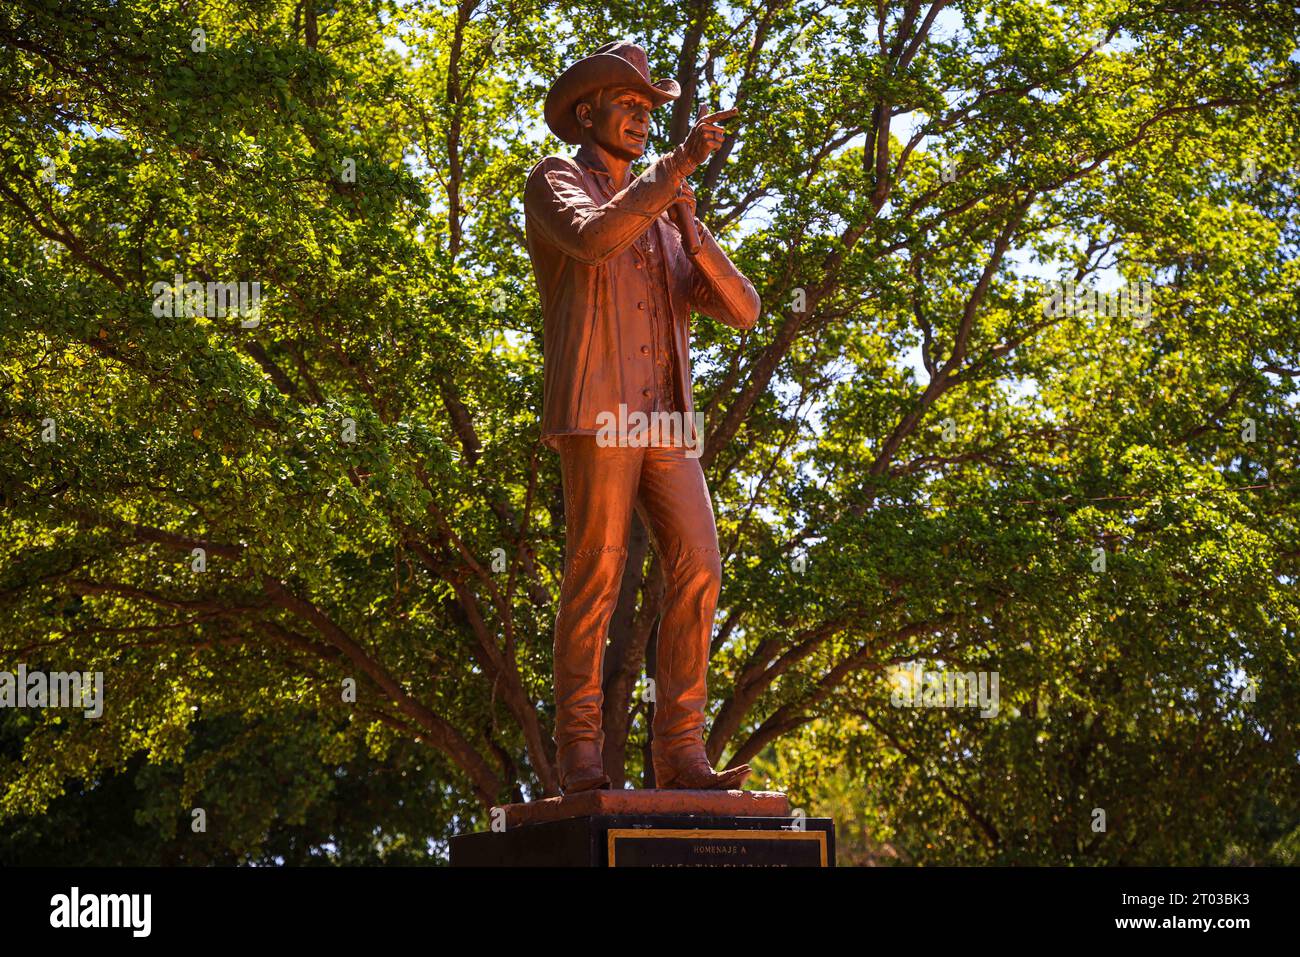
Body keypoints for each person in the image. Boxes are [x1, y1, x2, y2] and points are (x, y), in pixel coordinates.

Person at [524, 40, 761, 792]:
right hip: (599, 408)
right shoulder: (556, 178)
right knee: (596, 572)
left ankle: (682, 753)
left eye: (648, 110)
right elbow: (593, 240)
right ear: (585, 111)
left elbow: (745, 311)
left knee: (699, 564)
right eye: (626, 105)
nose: (640, 119)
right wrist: (672, 173)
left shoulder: (664, 215)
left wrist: (692, 225)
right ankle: (583, 755)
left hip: (665, 423)